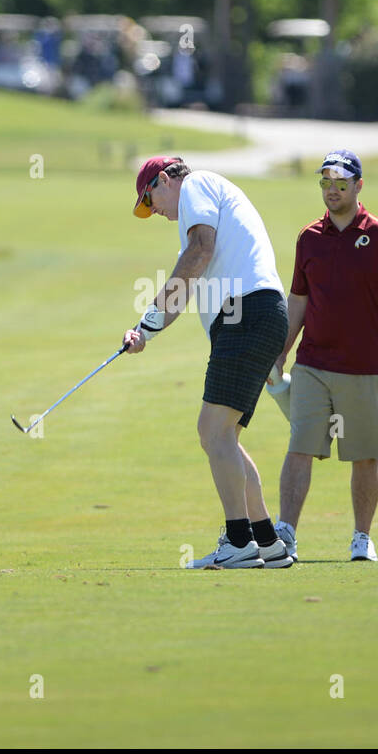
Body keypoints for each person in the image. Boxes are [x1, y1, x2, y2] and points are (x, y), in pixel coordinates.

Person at [124, 156, 292, 569]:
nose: (154, 211)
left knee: (212, 431)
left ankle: (238, 542)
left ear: (164, 180)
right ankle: (266, 541)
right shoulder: (198, 213)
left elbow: (200, 253)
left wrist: (149, 318)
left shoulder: (196, 186)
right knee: (224, 435)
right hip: (256, 314)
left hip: (245, 313)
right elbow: (187, 282)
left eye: (149, 199)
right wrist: (146, 330)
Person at [271, 150, 378, 562]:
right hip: (313, 364)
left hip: (366, 366)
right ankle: (286, 533)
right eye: (326, 183)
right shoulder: (309, 238)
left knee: (365, 455)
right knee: (300, 446)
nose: (332, 190)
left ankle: (361, 537)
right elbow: (298, 300)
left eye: (340, 183)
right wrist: (282, 353)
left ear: (358, 186)